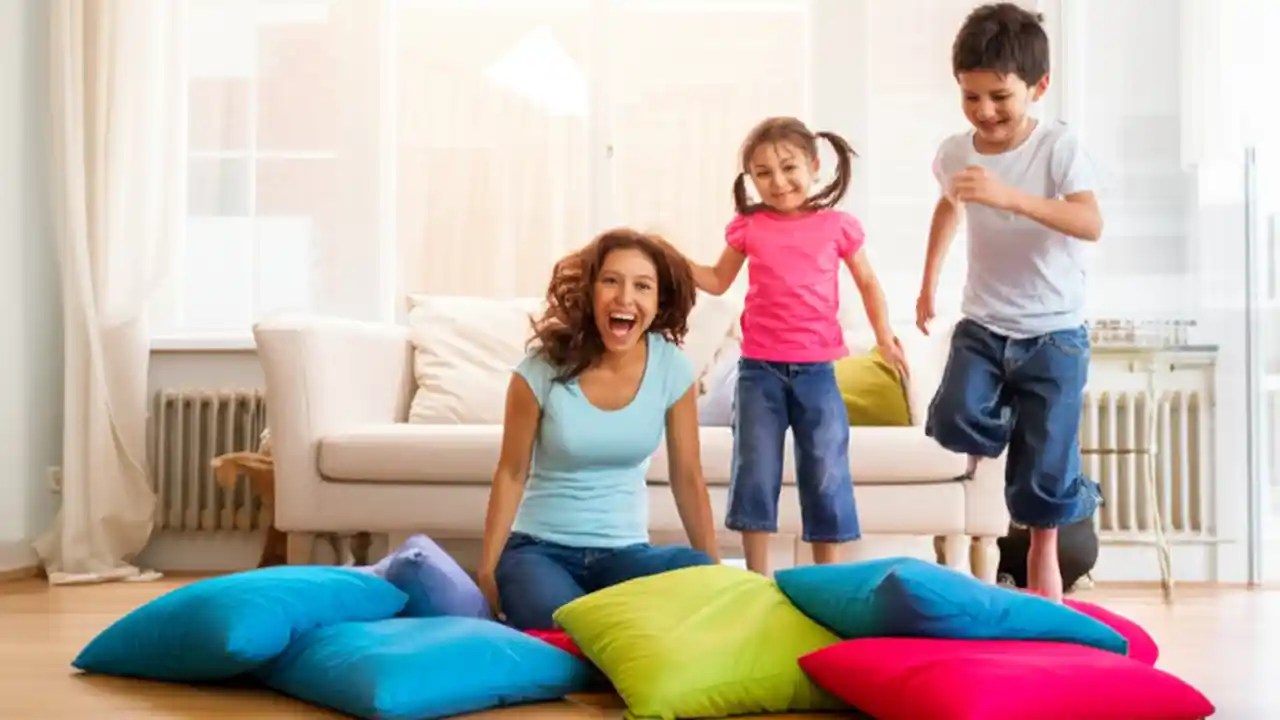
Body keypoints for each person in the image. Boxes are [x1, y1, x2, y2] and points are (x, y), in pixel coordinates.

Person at [916, 3, 1104, 602]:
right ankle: (1033, 438)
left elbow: (1089, 221)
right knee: (952, 419)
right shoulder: (954, 152)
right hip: (985, 325)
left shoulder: (1058, 149)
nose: (985, 111)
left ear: (1038, 87)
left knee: (1043, 484)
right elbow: (949, 204)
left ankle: (1051, 532)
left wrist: (1011, 196)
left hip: (1055, 335)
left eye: (1000, 96)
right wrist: (927, 281)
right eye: (971, 97)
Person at [690, 116, 907, 576]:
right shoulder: (748, 227)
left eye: (788, 168)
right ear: (750, 179)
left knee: (826, 470)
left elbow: (868, 283)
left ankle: (826, 576)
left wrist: (885, 337)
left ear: (813, 166)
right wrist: (667, 255)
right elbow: (715, 279)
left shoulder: (837, 226)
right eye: (762, 173)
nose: (778, 182)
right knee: (755, 469)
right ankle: (757, 576)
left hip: (816, 372)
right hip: (758, 373)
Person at [476, 228, 720, 631]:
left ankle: (600, 636)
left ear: (658, 302)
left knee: (692, 572)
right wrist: (486, 568)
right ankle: (609, 634)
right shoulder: (541, 368)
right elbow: (511, 472)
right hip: (540, 551)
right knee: (554, 616)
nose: (625, 298)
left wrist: (712, 575)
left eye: (642, 286)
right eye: (611, 281)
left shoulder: (672, 369)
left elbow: (688, 475)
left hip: (625, 555)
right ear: (590, 291)